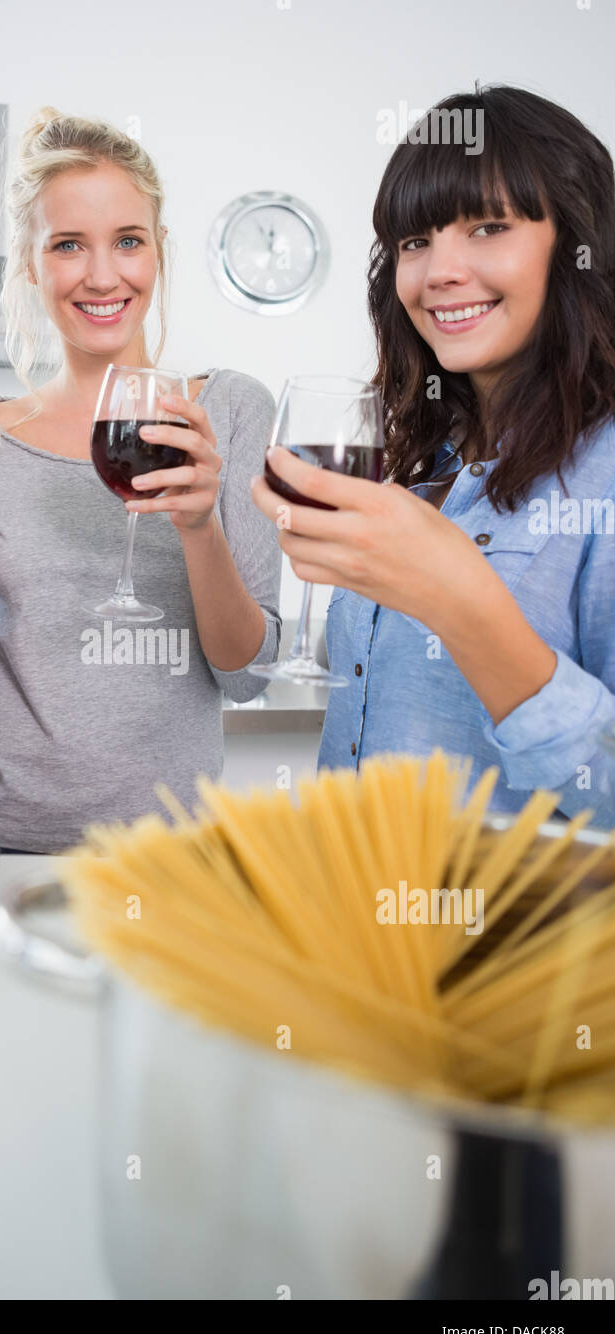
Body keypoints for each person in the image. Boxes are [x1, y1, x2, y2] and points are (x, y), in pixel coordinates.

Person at [0, 109, 281, 852]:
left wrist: (197, 526)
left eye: (127, 241)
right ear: (28, 260)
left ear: (158, 252)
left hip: (169, 850)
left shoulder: (229, 411)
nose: (102, 275)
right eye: (67, 245)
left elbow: (248, 674)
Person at [252, 86, 615, 827]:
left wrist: (461, 601)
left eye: (487, 227)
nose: (437, 271)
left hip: (509, 939)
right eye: (414, 241)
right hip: (352, 920)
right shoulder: (427, 457)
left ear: (576, 246)